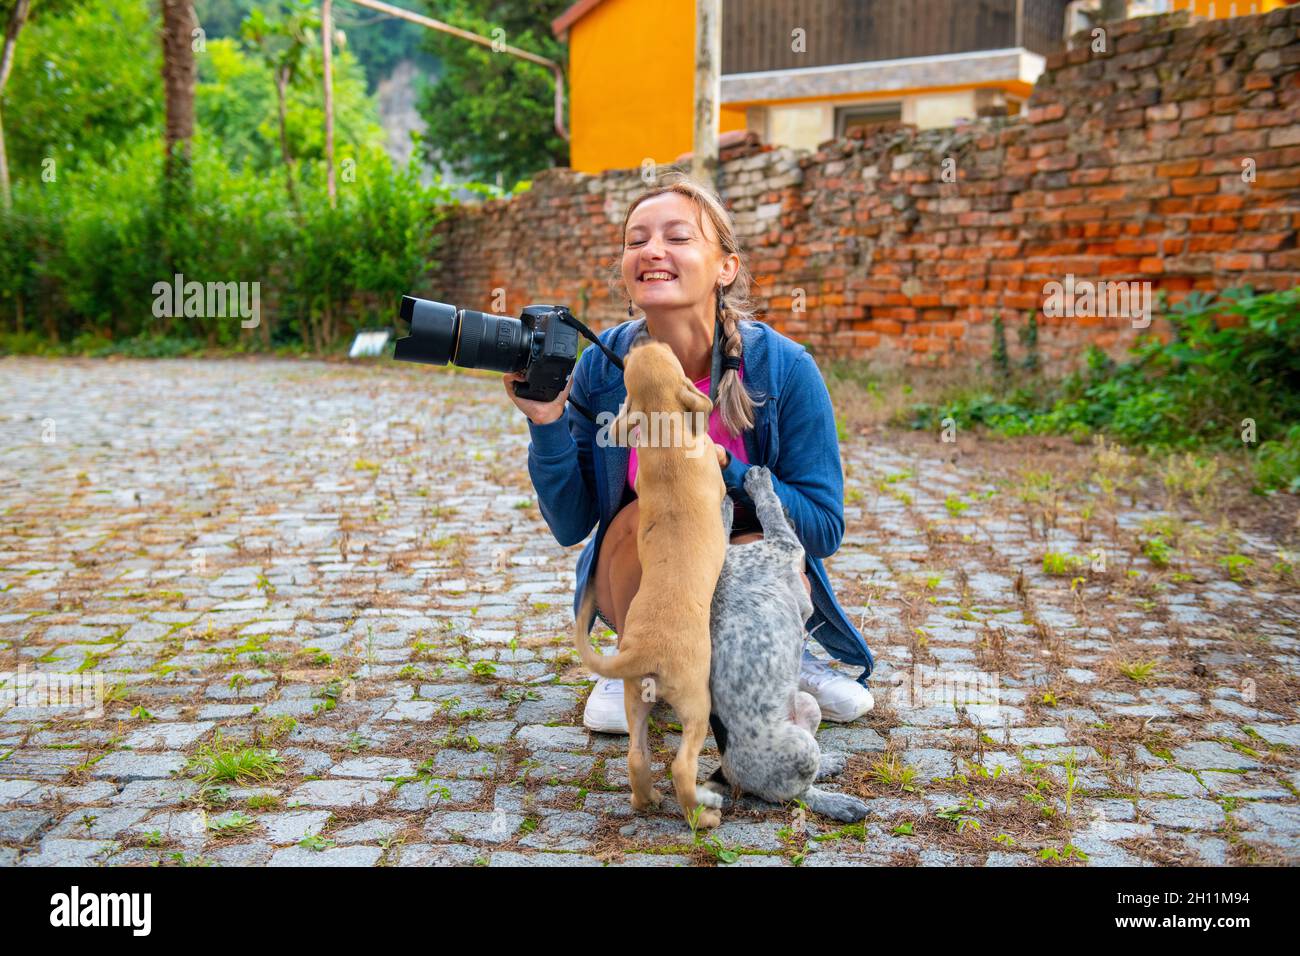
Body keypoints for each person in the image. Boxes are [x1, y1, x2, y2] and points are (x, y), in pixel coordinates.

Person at [504, 174, 875, 734]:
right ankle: (637, 657)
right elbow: (571, 525)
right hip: (643, 579)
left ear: (725, 267)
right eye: (637, 240)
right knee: (640, 513)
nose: (652, 250)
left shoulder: (784, 369)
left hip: (752, 583)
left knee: (742, 531)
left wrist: (729, 470)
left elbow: (822, 527)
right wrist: (547, 424)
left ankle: (781, 657)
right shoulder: (603, 368)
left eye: (677, 237)